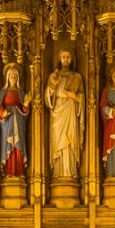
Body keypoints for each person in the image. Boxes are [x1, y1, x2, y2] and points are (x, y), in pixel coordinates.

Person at [44, 48, 85, 179]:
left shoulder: (77, 77)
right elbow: (47, 99)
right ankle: (58, 172)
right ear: (60, 59)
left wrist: (75, 97)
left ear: (71, 59)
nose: (66, 60)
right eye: (63, 57)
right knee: (58, 141)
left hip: (70, 109)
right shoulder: (53, 76)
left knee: (70, 139)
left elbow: (83, 99)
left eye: (68, 57)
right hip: (57, 111)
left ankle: (71, 171)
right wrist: (52, 87)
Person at [0, 64, 32, 177]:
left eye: (15, 76)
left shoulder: (21, 92)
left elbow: (25, 110)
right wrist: (3, 113)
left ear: (18, 78)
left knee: (19, 145)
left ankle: (20, 171)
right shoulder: (3, 91)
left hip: (19, 121)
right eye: (11, 75)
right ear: (7, 77)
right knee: (9, 145)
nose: (13, 77)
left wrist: (25, 105)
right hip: (8, 122)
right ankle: (9, 171)